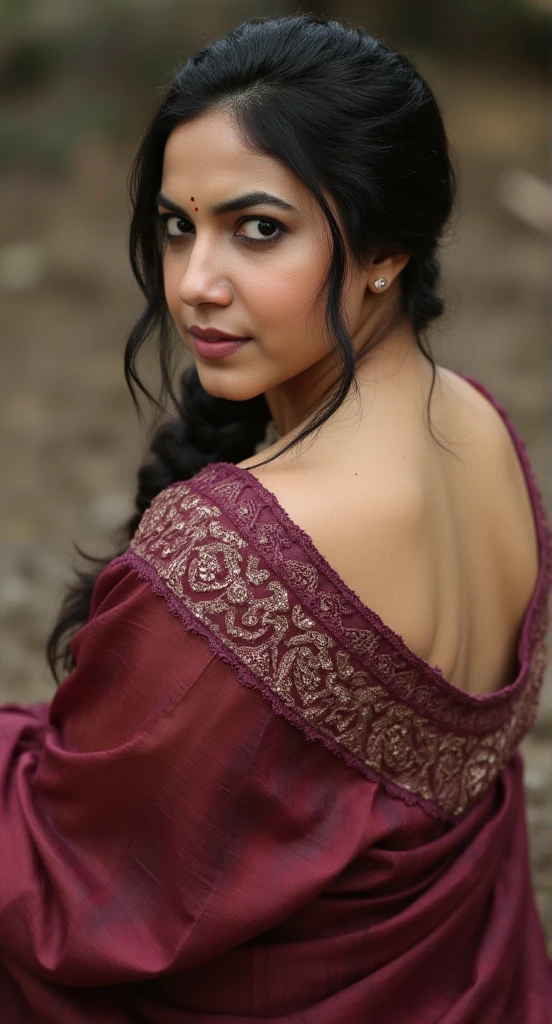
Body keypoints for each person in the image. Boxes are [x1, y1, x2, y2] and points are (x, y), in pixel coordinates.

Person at [1, 12, 550, 1023]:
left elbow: (73, 880)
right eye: (179, 225)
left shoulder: (242, 546)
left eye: (258, 229)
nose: (195, 284)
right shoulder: (479, 429)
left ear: (383, 248)